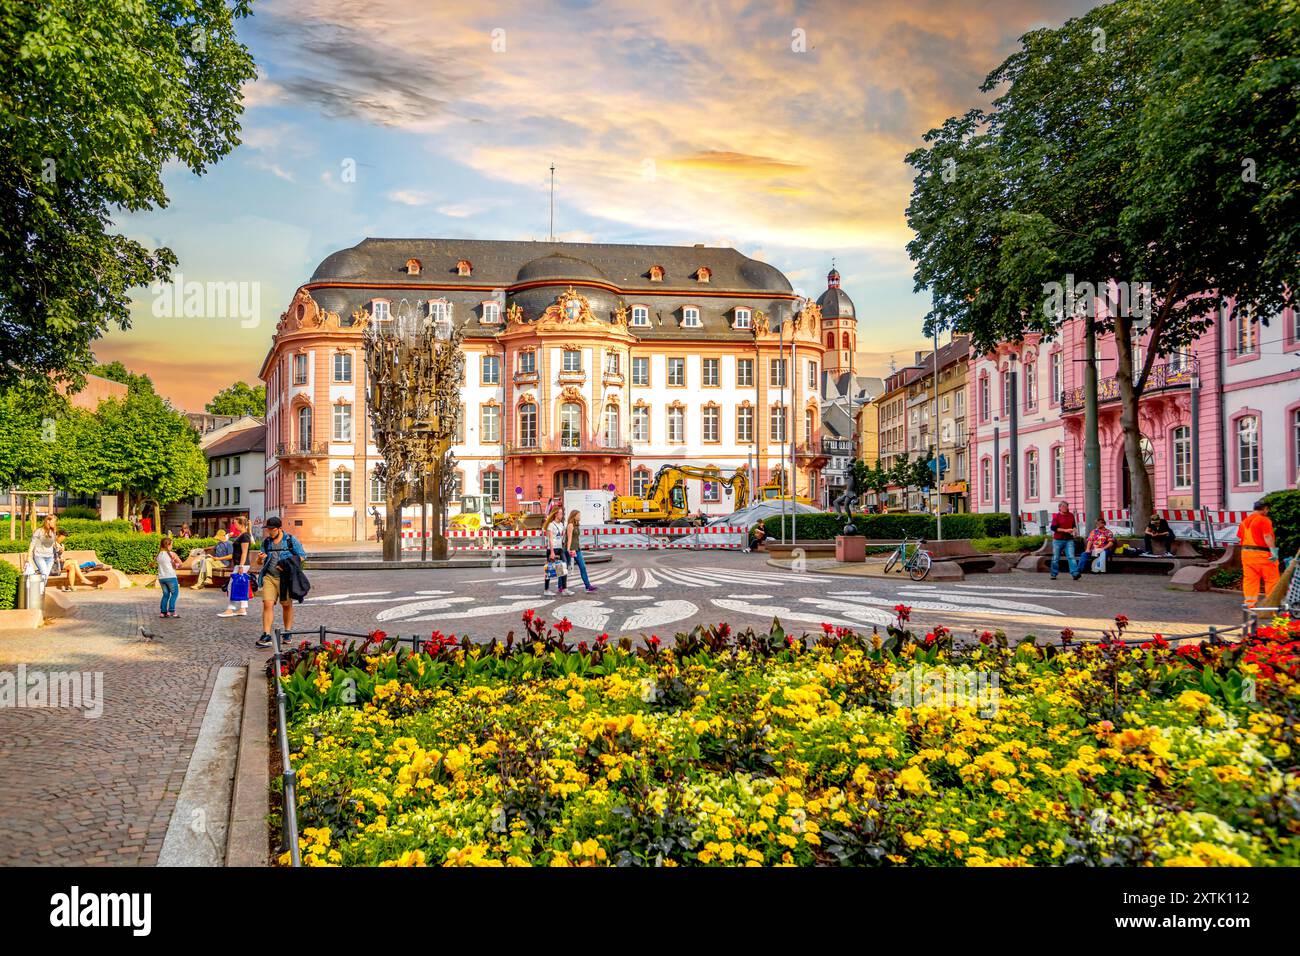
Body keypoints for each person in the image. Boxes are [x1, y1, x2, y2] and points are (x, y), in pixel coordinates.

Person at [253, 516, 309, 649]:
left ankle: (288, 632)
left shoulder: (290, 540)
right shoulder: (266, 542)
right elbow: (259, 562)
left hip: (285, 578)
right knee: (267, 604)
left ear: (279, 529)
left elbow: (302, 556)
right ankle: (266, 634)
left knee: (286, 605)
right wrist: (260, 559)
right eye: (268, 529)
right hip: (269, 577)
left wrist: (286, 564)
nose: (269, 532)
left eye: (272, 529)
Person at [1237, 499, 1280, 609]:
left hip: (1246, 554)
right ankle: (1271, 605)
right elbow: (1267, 536)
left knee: (1250, 579)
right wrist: (1273, 551)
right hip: (1262, 554)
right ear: (1265, 509)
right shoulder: (1264, 520)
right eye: (1267, 509)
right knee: (1271, 579)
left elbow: (1240, 538)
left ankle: (1250, 604)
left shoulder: (1244, 521)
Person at [218, 517, 253, 617]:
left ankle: (230, 609)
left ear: (241, 524)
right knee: (242, 585)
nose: (234, 525)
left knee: (231, 586)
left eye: (235, 523)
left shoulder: (245, 536)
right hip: (241, 564)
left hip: (242, 564)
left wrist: (241, 565)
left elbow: (244, 552)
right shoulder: (242, 535)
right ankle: (242, 609)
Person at [564, 510, 598, 593]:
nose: (580, 517)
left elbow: (576, 538)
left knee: (583, 567)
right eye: (578, 515)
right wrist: (568, 549)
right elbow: (569, 538)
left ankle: (588, 586)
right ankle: (561, 586)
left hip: (577, 549)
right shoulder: (570, 525)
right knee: (565, 569)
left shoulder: (576, 525)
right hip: (570, 549)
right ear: (574, 516)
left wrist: (578, 547)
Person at [1049, 501, 1081, 581]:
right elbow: (1053, 528)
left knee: (1071, 556)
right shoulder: (1056, 516)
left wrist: (1074, 530)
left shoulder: (1071, 515)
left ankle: (1075, 573)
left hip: (1069, 540)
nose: (1065, 508)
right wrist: (1065, 530)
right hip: (1058, 540)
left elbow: (1073, 526)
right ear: (1059, 508)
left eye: (1066, 506)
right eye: (1063, 506)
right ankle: (1053, 574)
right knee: (1056, 558)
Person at [542, 505, 568, 596]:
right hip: (552, 549)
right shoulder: (550, 525)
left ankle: (564, 589)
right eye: (560, 513)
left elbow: (562, 537)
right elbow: (550, 539)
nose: (562, 515)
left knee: (563, 568)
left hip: (560, 549)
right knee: (548, 569)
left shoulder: (561, 525)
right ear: (556, 514)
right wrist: (552, 552)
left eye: (562, 513)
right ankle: (546, 589)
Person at [26, 515, 59, 586]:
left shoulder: (53, 531)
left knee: (45, 576)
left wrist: (58, 546)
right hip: (39, 556)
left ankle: (40, 592)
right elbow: (32, 544)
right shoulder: (39, 531)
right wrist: (28, 556)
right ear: (48, 521)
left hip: (50, 557)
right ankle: (38, 591)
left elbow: (52, 543)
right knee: (44, 574)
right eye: (54, 522)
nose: (55, 523)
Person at [156, 536, 181, 618]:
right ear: (168, 545)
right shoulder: (172, 554)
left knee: (165, 595)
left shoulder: (158, 555)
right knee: (175, 594)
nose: (172, 546)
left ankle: (163, 612)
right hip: (171, 577)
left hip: (161, 578)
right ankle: (172, 611)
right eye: (171, 545)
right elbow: (180, 564)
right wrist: (176, 564)